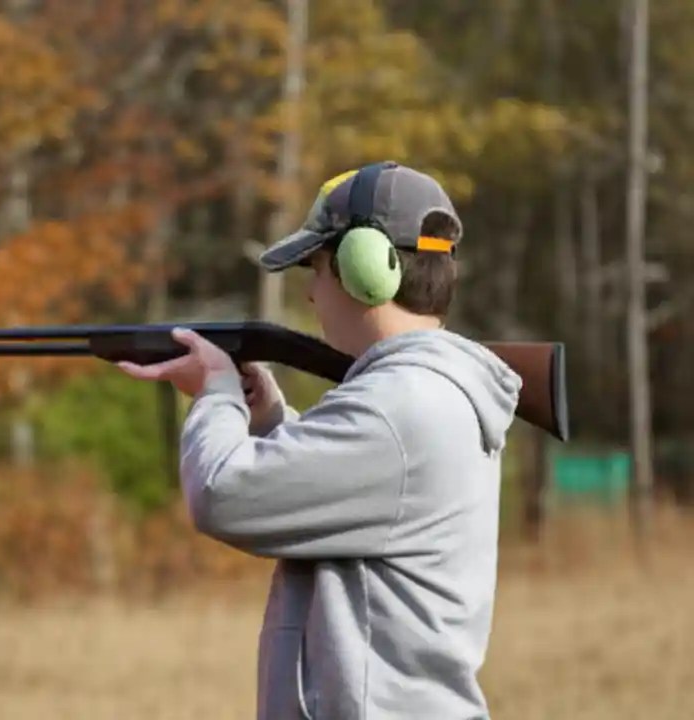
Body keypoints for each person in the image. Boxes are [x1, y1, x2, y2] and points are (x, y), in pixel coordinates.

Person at [118, 161, 522, 719]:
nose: (310, 293)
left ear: (365, 268)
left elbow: (223, 495)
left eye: (317, 268)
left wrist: (215, 394)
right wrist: (265, 417)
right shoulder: (422, 396)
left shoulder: (397, 407)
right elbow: (351, 495)